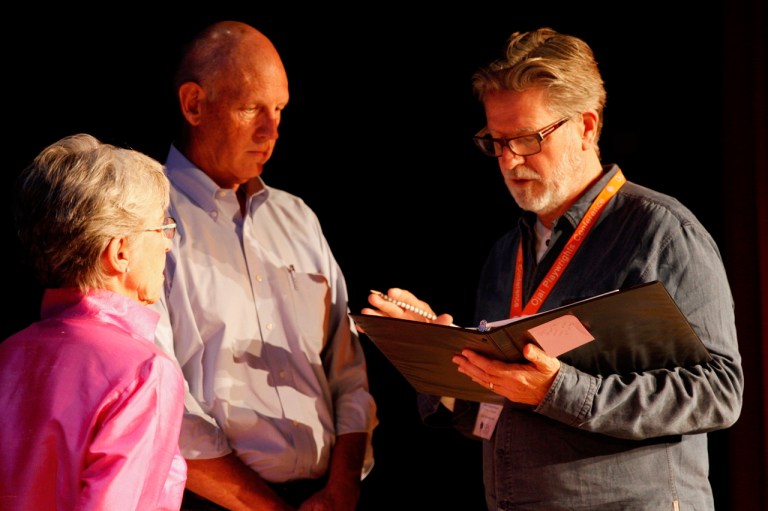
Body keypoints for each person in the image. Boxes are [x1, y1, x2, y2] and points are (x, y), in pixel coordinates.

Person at [362, 27, 743, 510]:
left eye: (527, 138)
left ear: (586, 126)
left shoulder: (660, 232)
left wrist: (561, 390)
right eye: (496, 142)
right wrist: (443, 359)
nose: (510, 160)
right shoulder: (507, 252)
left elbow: (719, 391)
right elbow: (496, 410)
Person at [151, 21, 378, 511]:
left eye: (279, 110)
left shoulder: (297, 217)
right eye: (252, 107)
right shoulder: (146, 220)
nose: (271, 130)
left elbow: (348, 371)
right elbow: (155, 397)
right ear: (193, 104)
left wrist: (343, 488)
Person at [0, 133, 187, 510]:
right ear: (120, 252)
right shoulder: (143, 373)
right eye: (163, 228)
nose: (169, 244)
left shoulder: (8, 354)